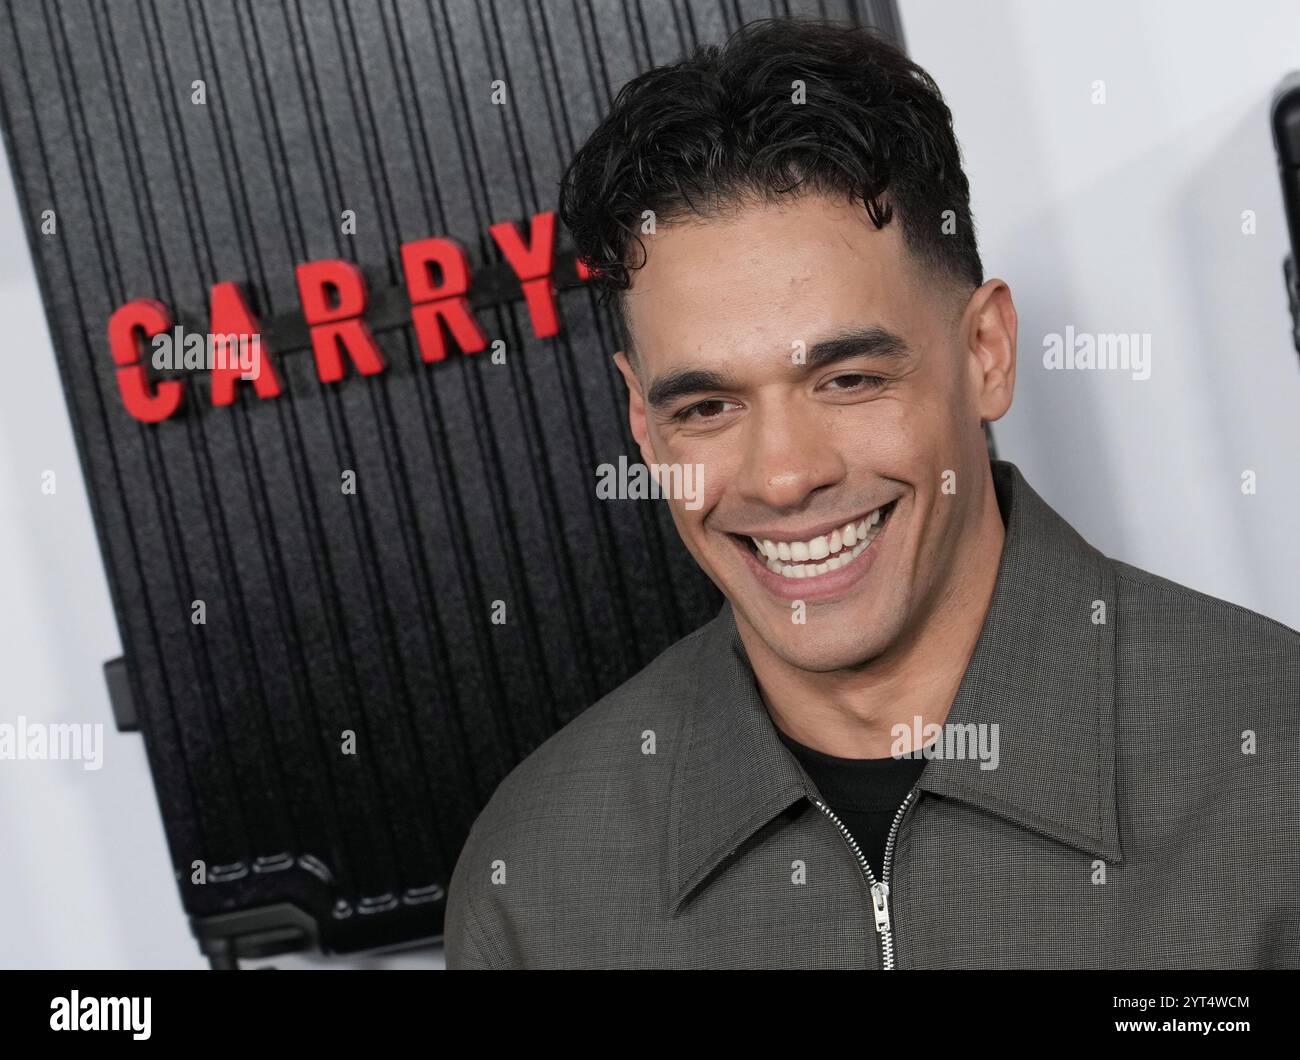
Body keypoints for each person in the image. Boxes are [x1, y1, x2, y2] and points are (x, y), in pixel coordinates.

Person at [444, 16, 1300, 969]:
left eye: (848, 381)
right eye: (708, 406)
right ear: (643, 426)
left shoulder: (1280, 768)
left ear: (987, 354)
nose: (783, 474)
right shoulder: (536, 882)